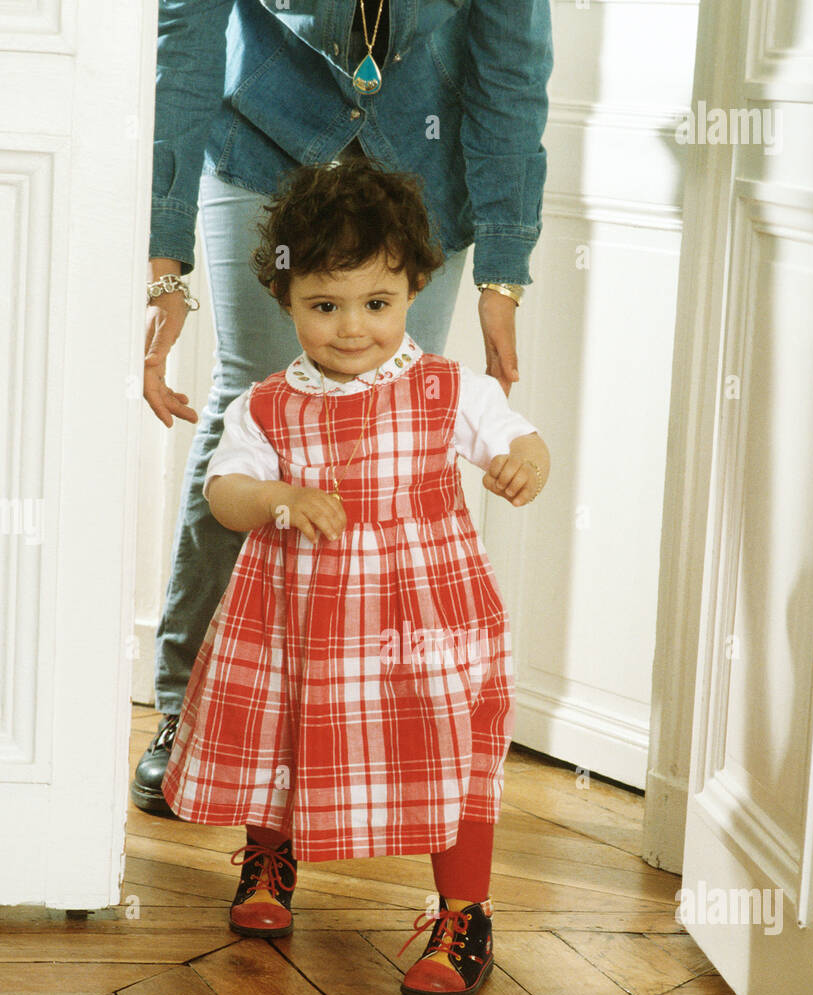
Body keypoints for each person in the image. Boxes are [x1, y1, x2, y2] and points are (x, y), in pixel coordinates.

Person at [133, 0, 553, 815]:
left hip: (423, 156)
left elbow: (510, 67)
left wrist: (504, 267)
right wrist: (165, 262)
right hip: (264, 138)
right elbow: (182, 49)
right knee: (252, 411)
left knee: (391, 417)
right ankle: (194, 705)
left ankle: (362, 713)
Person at [160, 159, 550, 995]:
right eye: (322, 305)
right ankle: (270, 858)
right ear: (286, 297)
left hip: (426, 614)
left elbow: (518, 439)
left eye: (376, 303)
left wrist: (525, 464)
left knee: (450, 746)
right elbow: (223, 496)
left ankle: (462, 914)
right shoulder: (264, 405)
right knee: (282, 728)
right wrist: (278, 496)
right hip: (294, 613)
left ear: (414, 286)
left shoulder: (453, 389)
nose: (349, 329)